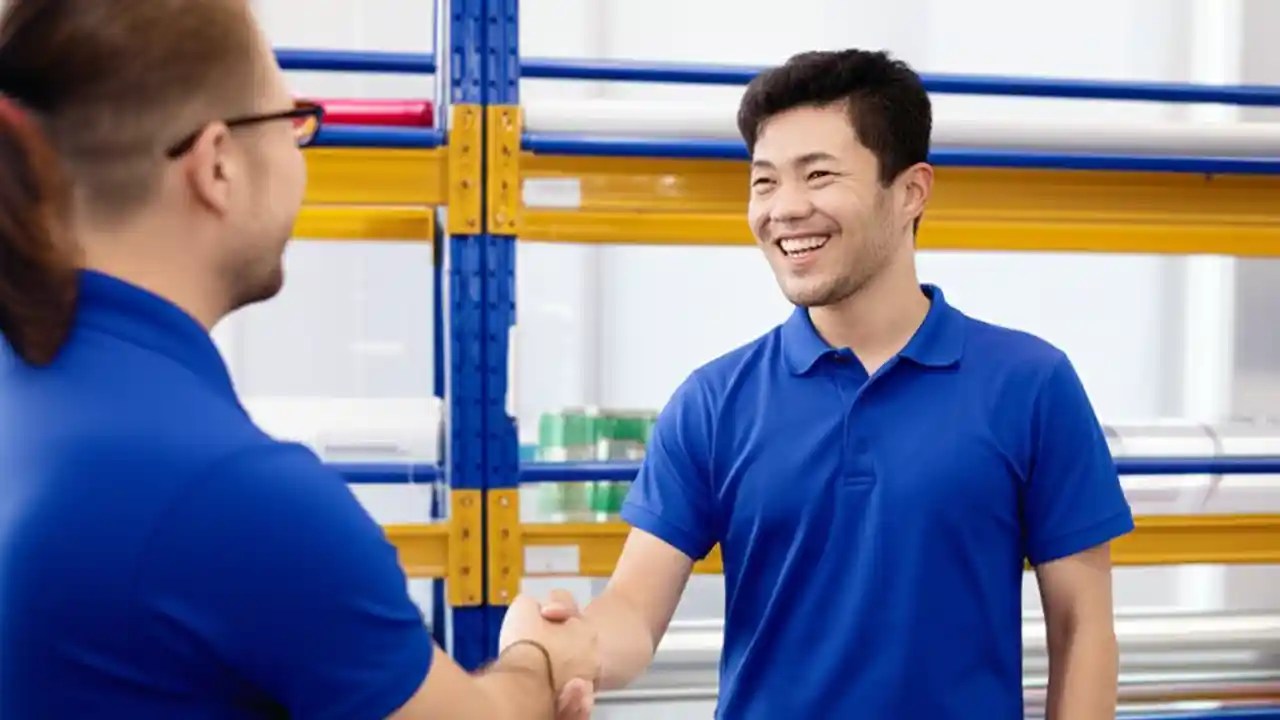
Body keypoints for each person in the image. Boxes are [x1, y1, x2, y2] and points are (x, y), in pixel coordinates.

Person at [0, 1, 598, 718]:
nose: (298, 151)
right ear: (216, 164)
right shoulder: (231, 496)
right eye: (290, 122)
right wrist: (537, 659)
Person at [518, 49, 1135, 718]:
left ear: (910, 192)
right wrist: (575, 648)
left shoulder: (1031, 385)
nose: (785, 209)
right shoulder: (712, 403)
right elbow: (634, 611)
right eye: (764, 183)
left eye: (818, 175)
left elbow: (1083, 628)